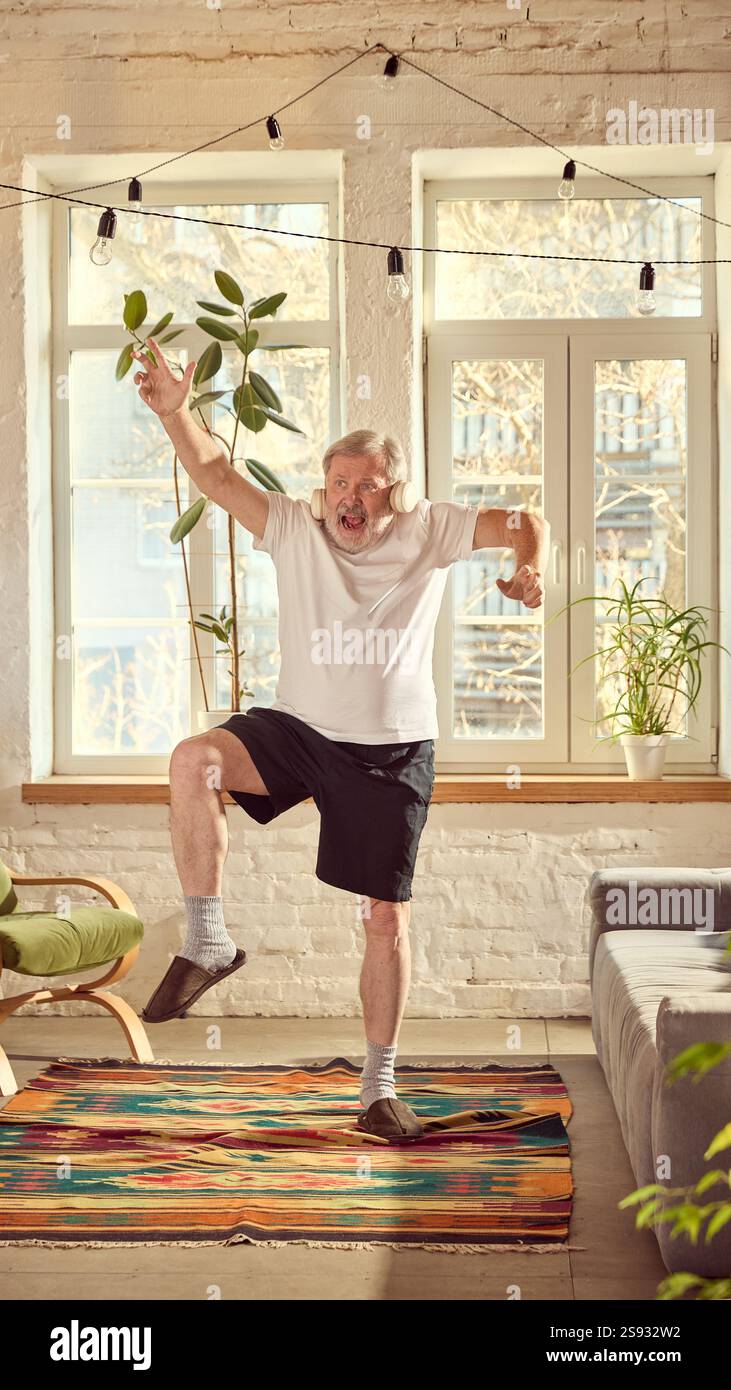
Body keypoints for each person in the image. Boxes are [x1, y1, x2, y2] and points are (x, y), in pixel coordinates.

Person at [131, 336, 550, 1140]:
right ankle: (208, 940)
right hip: (301, 729)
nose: (349, 496)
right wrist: (178, 412)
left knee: (383, 920)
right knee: (194, 760)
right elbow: (217, 474)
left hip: (391, 749)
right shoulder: (293, 526)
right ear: (322, 491)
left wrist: (530, 570)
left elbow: (524, 521)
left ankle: (377, 1088)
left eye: (366, 483)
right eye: (337, 482)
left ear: (393, 492)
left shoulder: (428, 529)